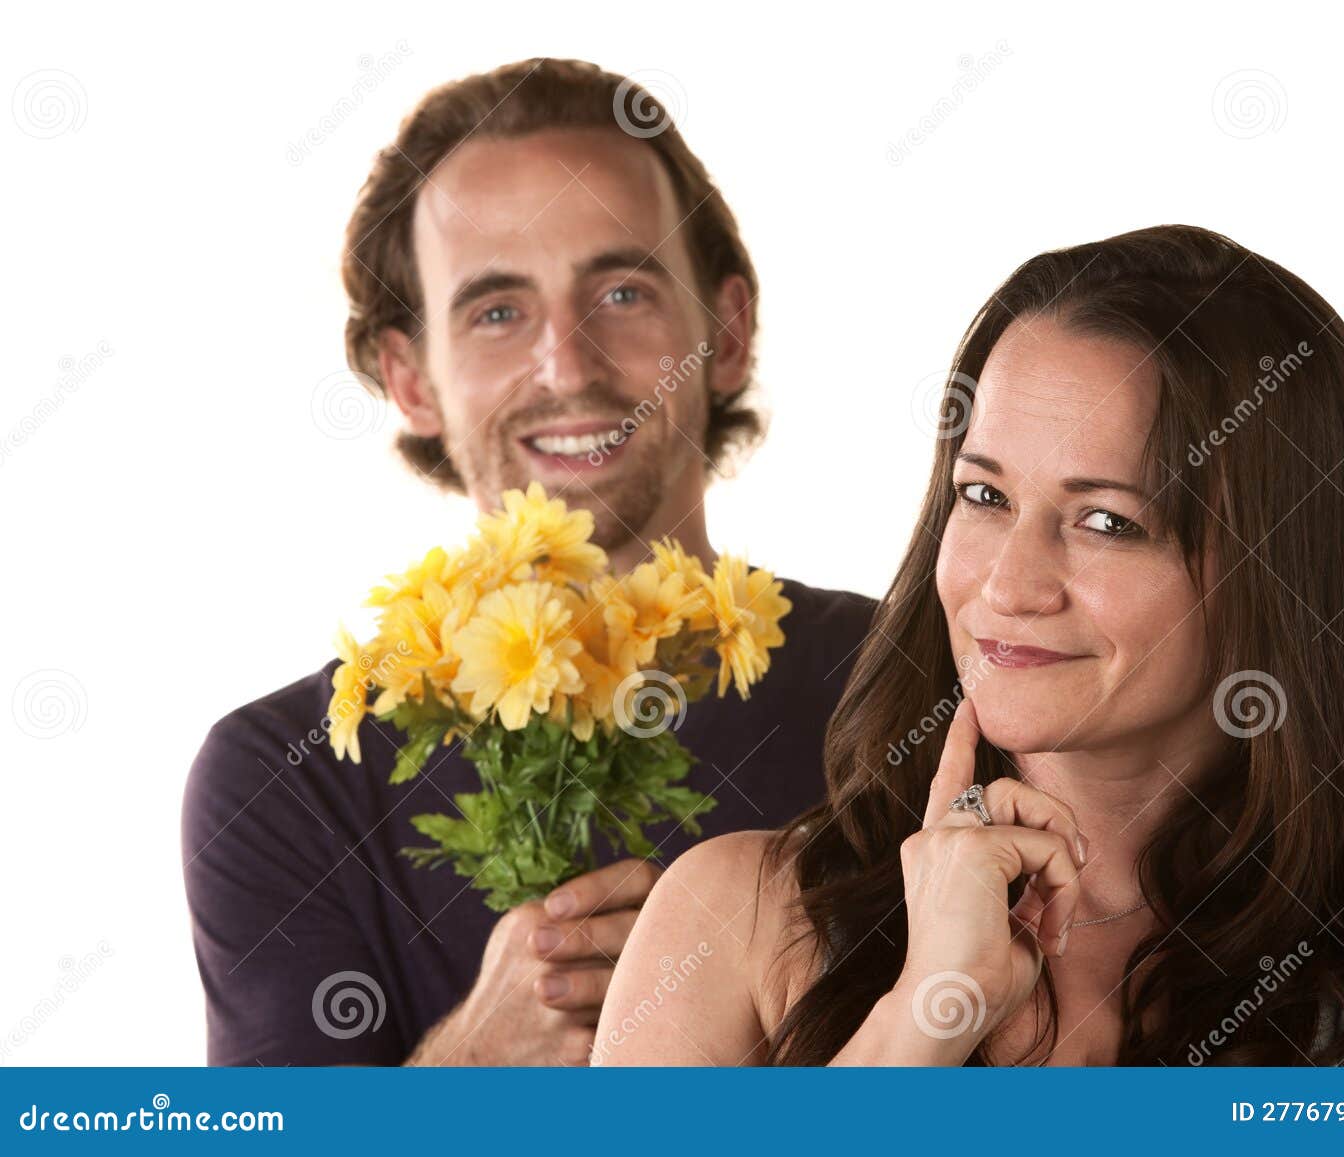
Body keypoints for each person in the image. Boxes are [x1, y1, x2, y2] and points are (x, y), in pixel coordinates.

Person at [595, 224, 1344, 1066]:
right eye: (983, 496)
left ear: (1277, 569)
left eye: (1108, 520)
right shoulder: (726, 920)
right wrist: (919, 1020)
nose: (1008, 584)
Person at [181, 58, 874, 1066]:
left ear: (725, 333)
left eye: (624, 289)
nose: (569, 363)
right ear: (410, 378)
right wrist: (468, 1065)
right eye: (497, 312)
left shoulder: (913, 680)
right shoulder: (281, 780)